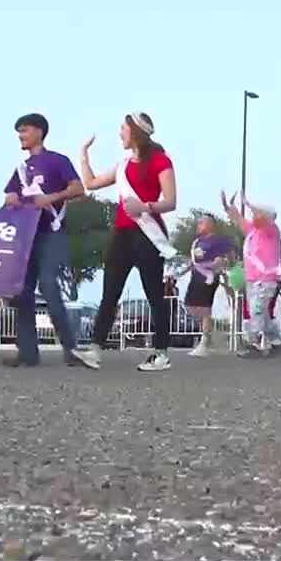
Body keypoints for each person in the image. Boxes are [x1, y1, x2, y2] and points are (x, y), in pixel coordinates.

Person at [79, 111, 178, 372]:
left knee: (154, 294)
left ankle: (161, 353)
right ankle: (95, 349)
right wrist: (84, 154)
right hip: (121, 235)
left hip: (148, 234)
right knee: (110, 292)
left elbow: (170, 201)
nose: (119, 133)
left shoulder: (160, 161)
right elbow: (90, 183)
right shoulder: (123, 165)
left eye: (123, 128)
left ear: (135, 132)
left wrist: (145, 205)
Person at [0, 113, 99, 370]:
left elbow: (78, 189)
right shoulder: (21, 169)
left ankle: (71, 348)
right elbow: (11, 194)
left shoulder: (57, 161)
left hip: (51, 233)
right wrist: (11, 198)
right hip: (26, 237)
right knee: (22, 292)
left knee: (49, 286)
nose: (21, 136)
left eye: (25, 130)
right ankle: (27, 352)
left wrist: (51, 198)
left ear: (39, 132)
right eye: (19, 132)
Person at [222, 192, 281, 357]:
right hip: (252, 279)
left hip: (265, 280)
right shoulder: (252, 231)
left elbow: (264, 217)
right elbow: (238, 219)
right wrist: (230, 207)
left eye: (257, 214)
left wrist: (249, 204)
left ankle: (255, 344)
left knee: (256, 311)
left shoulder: (271, 230)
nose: (254, 217)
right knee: (261, 312)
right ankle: (276, 341)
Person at [180, 213, 232, 358]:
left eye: (201, 223)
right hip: (195, 277)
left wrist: (213, 269)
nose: (198, 225)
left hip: (208, 278)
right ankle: (211, 333)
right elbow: (193, 262)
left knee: (204, 308)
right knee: (189, 305)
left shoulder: (217, 241)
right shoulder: (197, 242)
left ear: (209, 224)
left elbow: (221, 260)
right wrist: (180, 273)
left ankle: (204, 342)